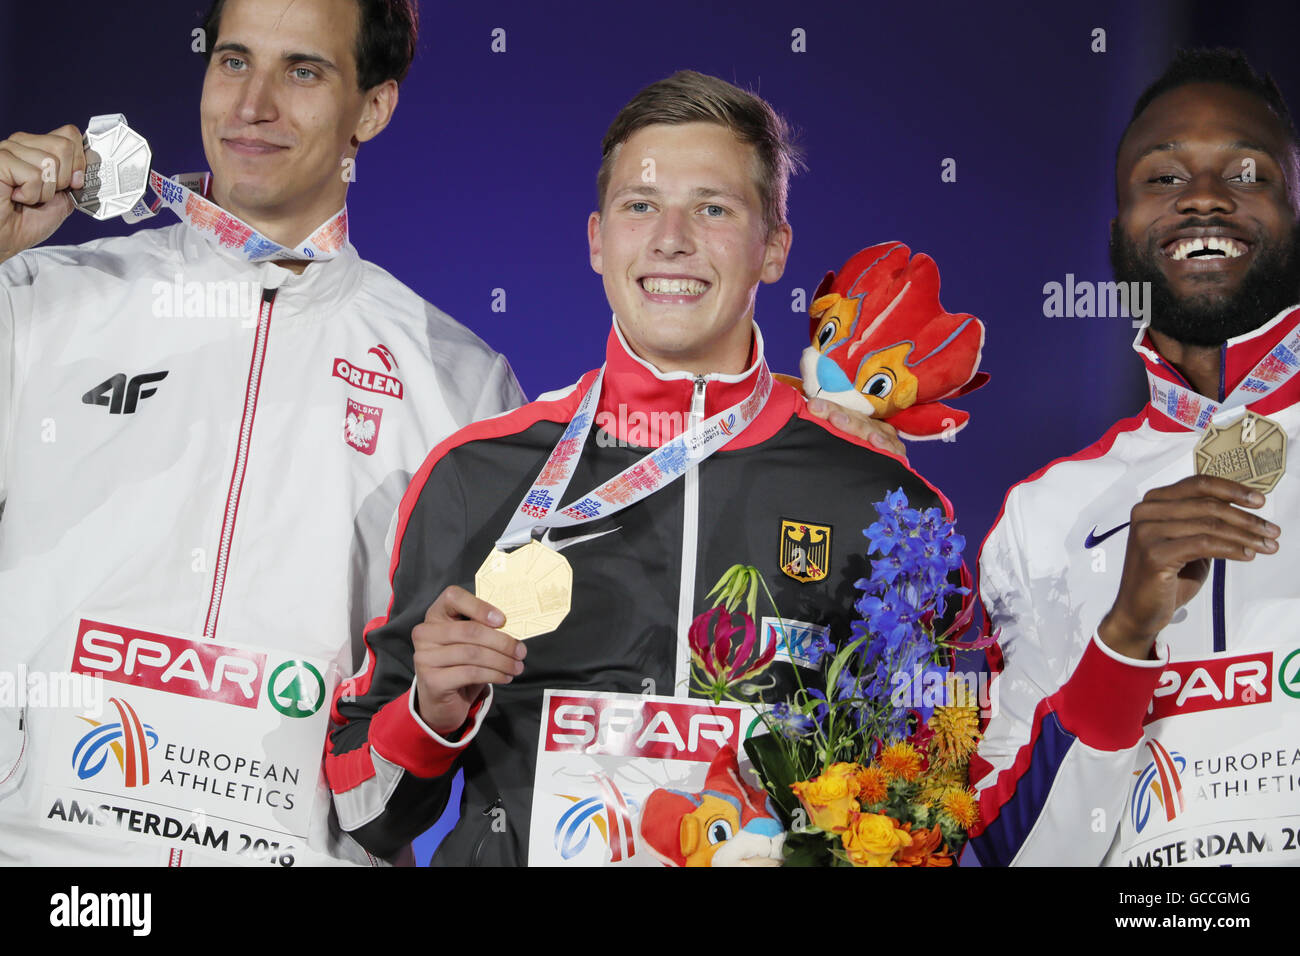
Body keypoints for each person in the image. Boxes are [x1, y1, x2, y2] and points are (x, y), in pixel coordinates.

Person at [325, 69, 961, 865]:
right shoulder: (479, 473)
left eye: (714, 208)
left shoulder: (882, 498)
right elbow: (365, 810)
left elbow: (941, 782)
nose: (671, 239)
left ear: (774, 250)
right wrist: (429, 712)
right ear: (597, 240)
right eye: (640, 206)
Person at [0, 0, 522, 866]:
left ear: (373, 108)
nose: (253, 105)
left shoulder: (460, 384)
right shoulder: (41, 296)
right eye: (234, 61)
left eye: (304, 71)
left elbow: (438, 706)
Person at [969, 49, 1300, 866]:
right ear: (1120, 233)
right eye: (1162, 178)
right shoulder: (1042, 517)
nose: (1204, 198)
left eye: (1248, 173)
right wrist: (1122, 638)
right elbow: (1015, 856)